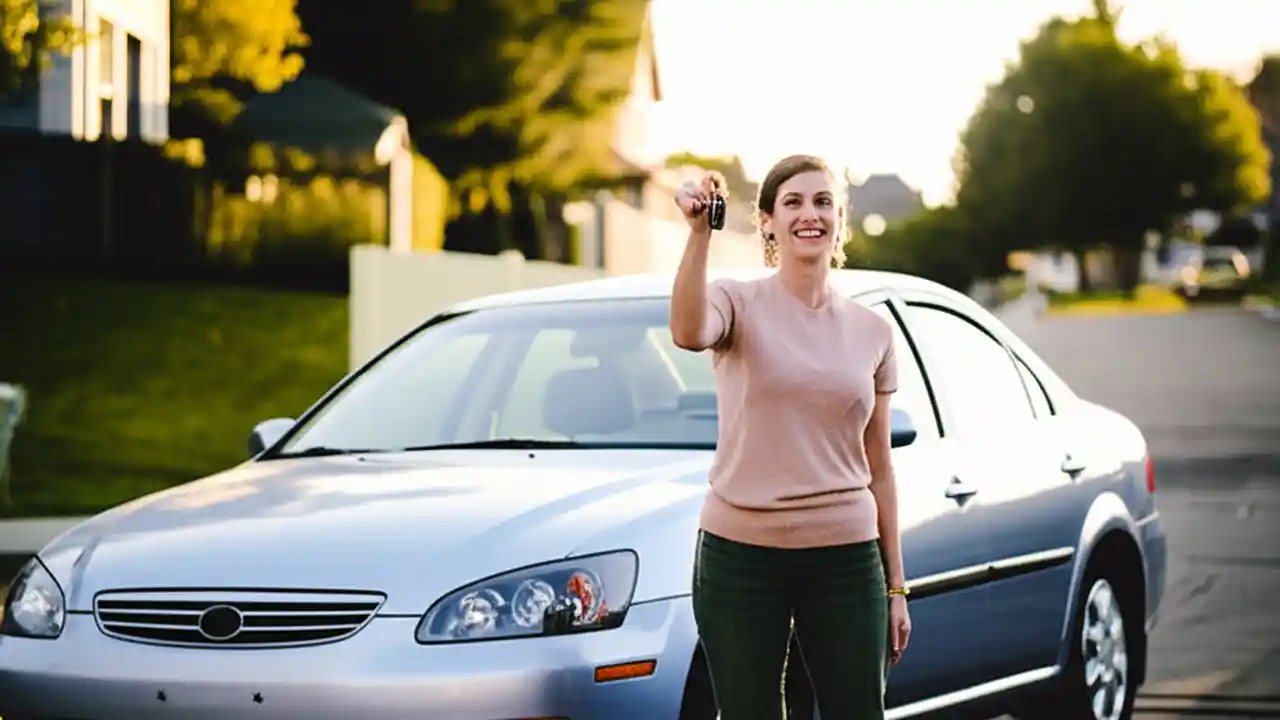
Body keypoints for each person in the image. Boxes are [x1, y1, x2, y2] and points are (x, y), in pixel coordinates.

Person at [669, 154, 911, 719]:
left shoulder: (873, 331)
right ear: (768, 222)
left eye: (823, 202)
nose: (810, 214)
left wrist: (896, 587)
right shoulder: (737, 302)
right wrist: (699, 235)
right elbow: (687, 331)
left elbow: (880, 467)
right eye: (793, 202)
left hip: (847, 561)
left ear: (840, 220)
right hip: (740, 561)